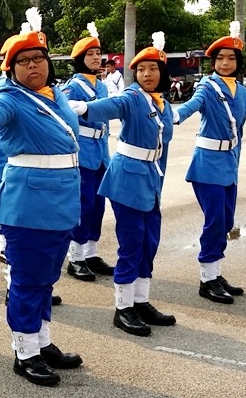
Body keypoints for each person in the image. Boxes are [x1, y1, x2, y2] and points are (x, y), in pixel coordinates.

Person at [0, 8, 83, 388]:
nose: (33, 65)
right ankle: (25, 353)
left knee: (46, 278)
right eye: (23, 61)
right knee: (26, 279)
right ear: (10, 69)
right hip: (29, 205)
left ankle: (42, 340)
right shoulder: (12, 98)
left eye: (39, 58)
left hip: (62, 201)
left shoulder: (54, 95)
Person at [69, 32, 177, 337]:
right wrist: (83, 109)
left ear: (162, 72)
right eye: (141, 70)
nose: (146, 74)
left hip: (151, 180)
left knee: (149, 242)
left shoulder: (164, 104)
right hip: (127, 179)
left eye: (153, 69)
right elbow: (110, 106)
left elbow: (162, 146)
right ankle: (123, 308)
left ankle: (140, 300)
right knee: (132, 242)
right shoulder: (131, 97)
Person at [174, 21, 246, 304]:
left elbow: (238, 133)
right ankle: (206, 280)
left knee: (226, 221)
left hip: (228, 164)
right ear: (213, 62)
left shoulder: (243, 93)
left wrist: (235, 166)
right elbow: (190, 107)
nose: (225, 63)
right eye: (220, 58)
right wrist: (170, 116)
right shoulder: (208, 87)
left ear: (238, 62)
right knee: (215, 220)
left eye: (231, 58)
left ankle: (216, 272)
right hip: (206, 164)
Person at [61, 22, 114, 281]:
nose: (96, 57)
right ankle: (76, 257)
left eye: (98, 53)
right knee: (83, 204)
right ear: (79, 59)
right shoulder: (73, 87)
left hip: (101, 151)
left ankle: (91, 252)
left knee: (99, 205)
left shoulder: (102, 86)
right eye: (90, 54)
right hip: (83, 154)